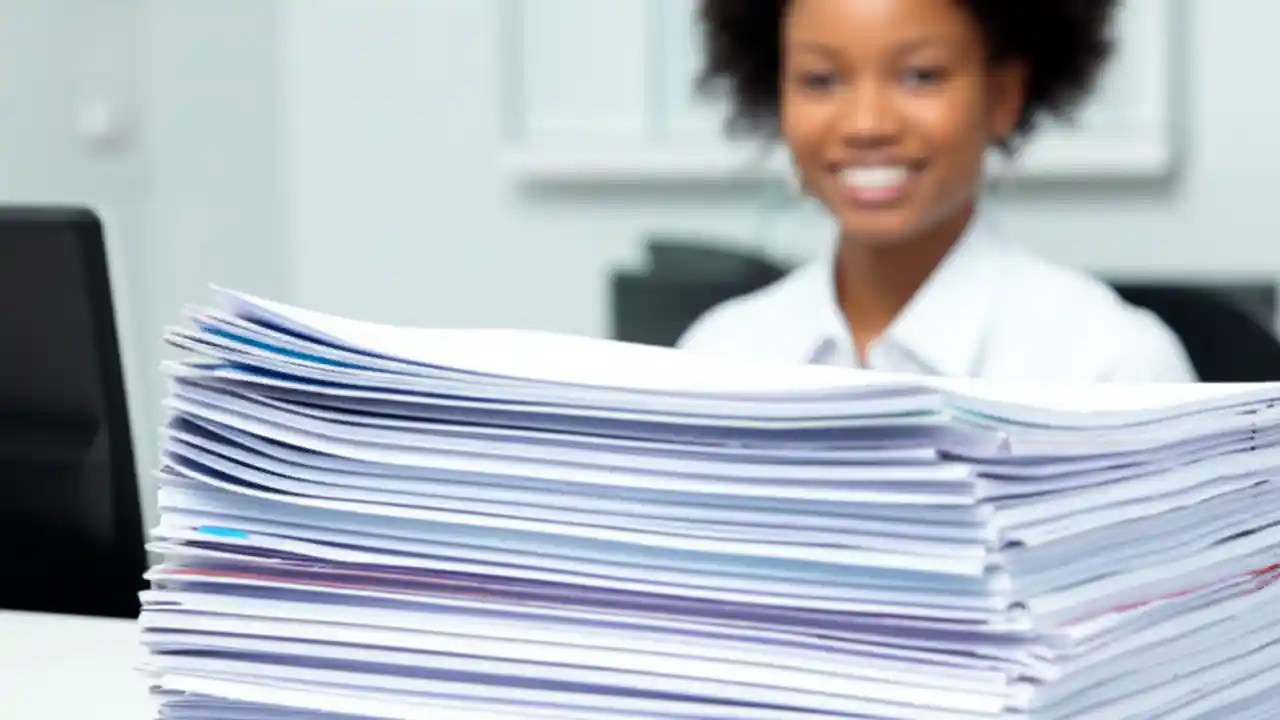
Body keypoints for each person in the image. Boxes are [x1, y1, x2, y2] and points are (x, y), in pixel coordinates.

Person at [677, 0, 1197, 383]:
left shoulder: (1112, 365)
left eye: (920, 76)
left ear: (1001, 96)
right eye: (820, 80)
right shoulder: (718, 357)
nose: (866, 124)